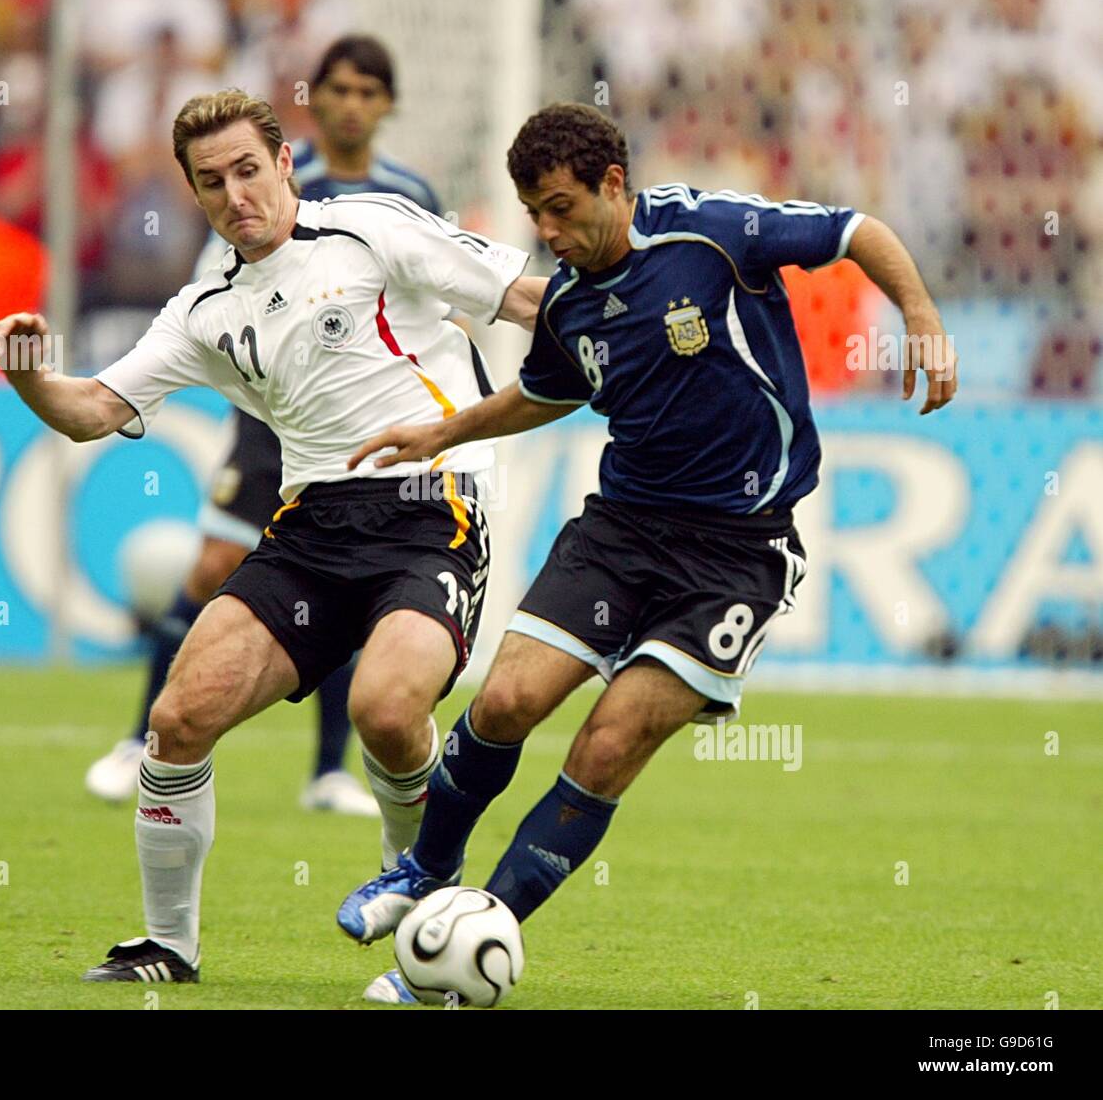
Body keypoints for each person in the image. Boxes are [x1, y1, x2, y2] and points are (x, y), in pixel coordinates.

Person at [335, 103, 958, 1003]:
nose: (547, 233)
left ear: (613, 185)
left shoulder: (710, 234)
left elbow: (858, 230)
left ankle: (468, 941)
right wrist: (447, 431)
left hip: (740, 555)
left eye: (560, 208)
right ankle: (424, 871)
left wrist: (921, 315)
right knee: (506, 699)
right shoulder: (570, 298)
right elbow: (548, 390)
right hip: (622, 529)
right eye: (533, 216)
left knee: (606, 744)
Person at [0, 88, 544, 983]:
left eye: (249, 169)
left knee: (388, 709)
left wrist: (625, 347)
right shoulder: (203, 309)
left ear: (285, 165)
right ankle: (169, 947)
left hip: (432, 503)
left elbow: (522, 298)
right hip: (310, 526)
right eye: (212, 182)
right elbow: (92, 408)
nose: (235, 193)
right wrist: (26, 377)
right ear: (196, 196)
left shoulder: (371, 228)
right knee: (175, 721)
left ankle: (424, 875)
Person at [84, 36, 449, 816]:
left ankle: (327, 772)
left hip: (371, 428)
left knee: (364, 586)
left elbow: (433, 296)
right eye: (339, 90)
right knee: (216, 563)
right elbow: (214, 301)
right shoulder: (273, 176)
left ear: (386, 105)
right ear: (315, 101)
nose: (352, 105)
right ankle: (134, 740)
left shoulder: (405, 194)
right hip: (270, 425)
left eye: (368, 92)